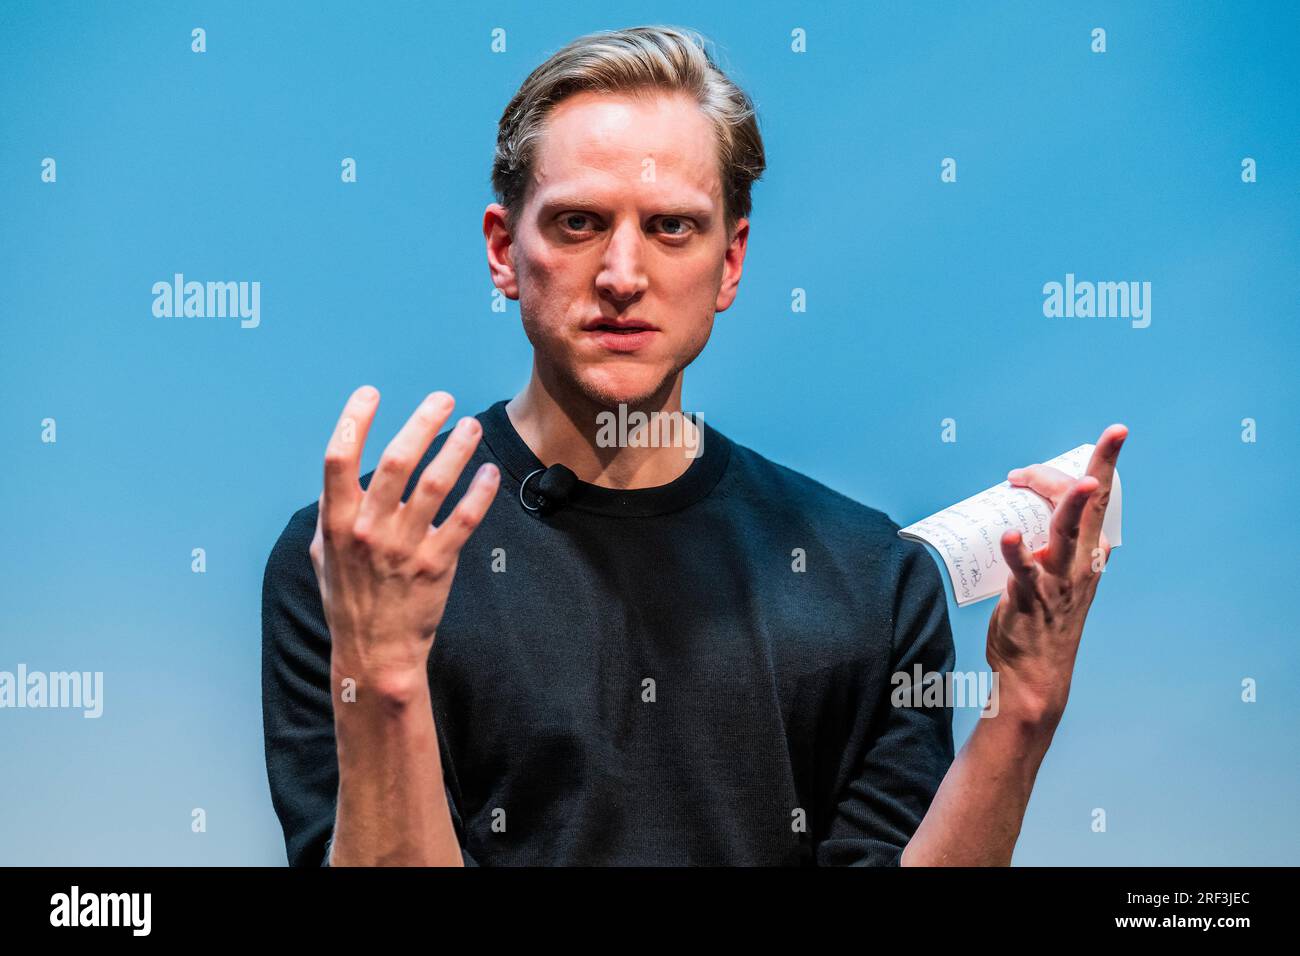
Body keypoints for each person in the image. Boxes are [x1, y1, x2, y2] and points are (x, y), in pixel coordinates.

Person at [261, 24, 1126, 867]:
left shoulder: (873, 584)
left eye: (672, 227)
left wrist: (1023, 710)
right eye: (577, 224)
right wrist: (383, 676)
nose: (623, 275)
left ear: (732, 260)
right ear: (503, 251)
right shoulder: (355, 565)